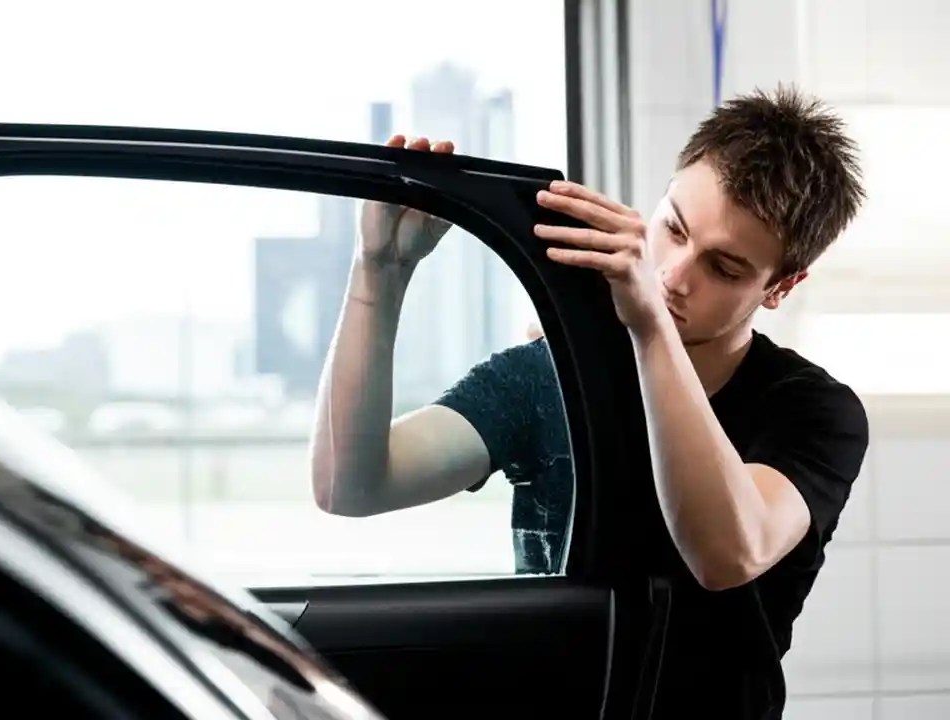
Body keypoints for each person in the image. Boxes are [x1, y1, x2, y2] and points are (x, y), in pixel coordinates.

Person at [309, 85, 869, 719]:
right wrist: (379, 270)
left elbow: (726, 554)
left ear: (781, 286)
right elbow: (349, 485)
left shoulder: (815, 411)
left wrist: (649, 328)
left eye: (724, 268)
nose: (673, 276)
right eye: (673, 229)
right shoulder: (556, 373)